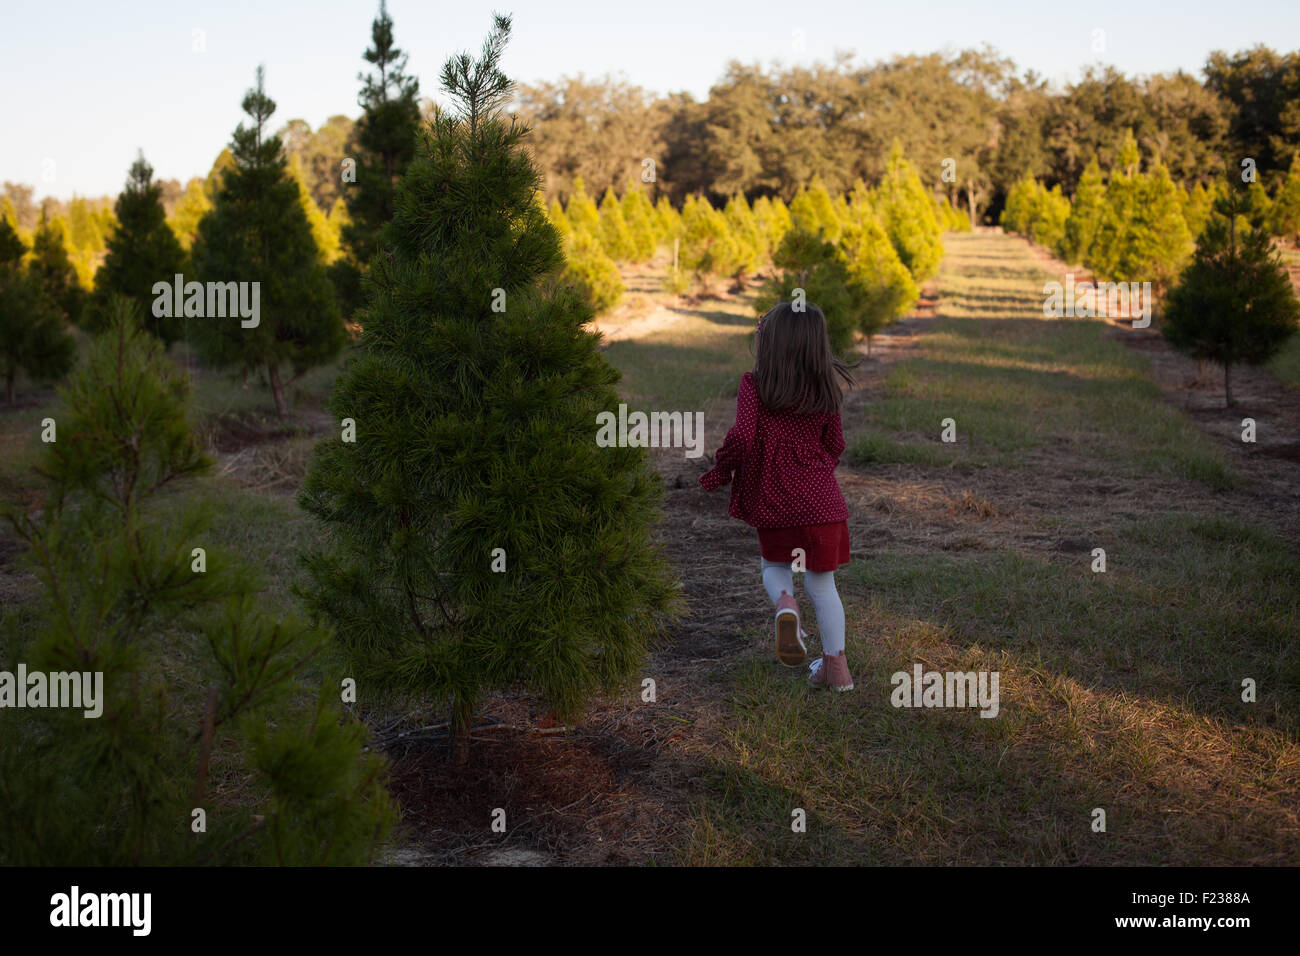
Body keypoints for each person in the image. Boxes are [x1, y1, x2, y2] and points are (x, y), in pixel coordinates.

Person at [699, 301, 856, 691]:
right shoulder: (825, 389)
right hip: (823, 504)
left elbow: (740, 436)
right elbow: (835, 444)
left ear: (769, 343)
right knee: (823, 587)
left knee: (774, 568)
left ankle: (786, 603)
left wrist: (720, 471)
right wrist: (815, 474)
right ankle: (837, 671)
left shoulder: (754, 385)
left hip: (774, 501)